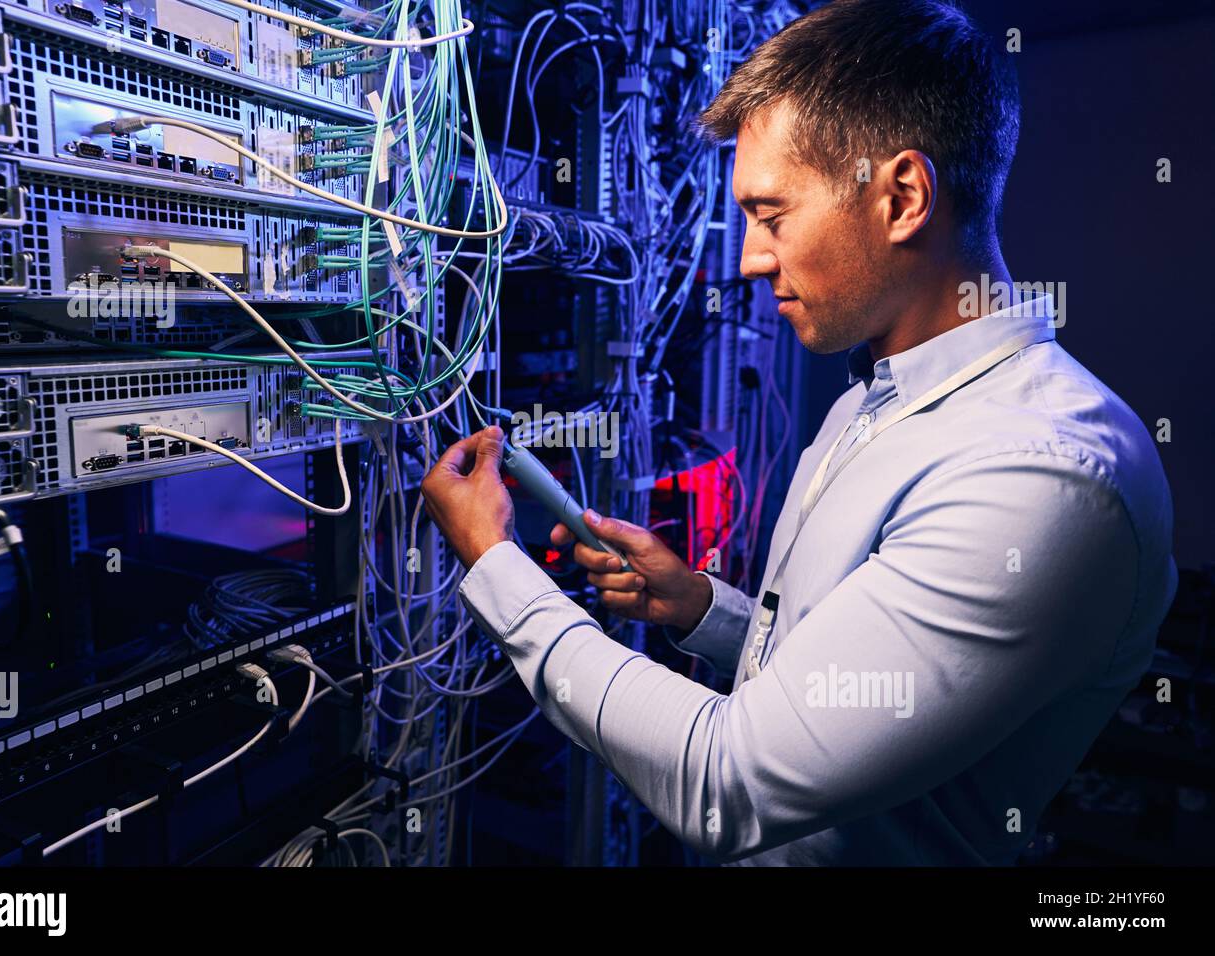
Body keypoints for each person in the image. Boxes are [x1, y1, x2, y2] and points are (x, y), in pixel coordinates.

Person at [419, 0, 1177, 865]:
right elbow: (871, 686)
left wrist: (497, 568)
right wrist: (708, 614)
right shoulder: (877, 397)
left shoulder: (1042, 475)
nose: (748, 257)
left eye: (771, 215)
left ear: (902, 197)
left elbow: (728, 782)